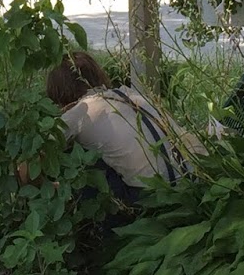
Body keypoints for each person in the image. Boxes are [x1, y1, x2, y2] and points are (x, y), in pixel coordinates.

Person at [44, 50, 203, 204]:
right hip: (192, 180)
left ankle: (106, 224)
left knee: (84, 159)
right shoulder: (127, 93)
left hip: (150, 195)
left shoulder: (80, 112)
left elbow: (39, 153)